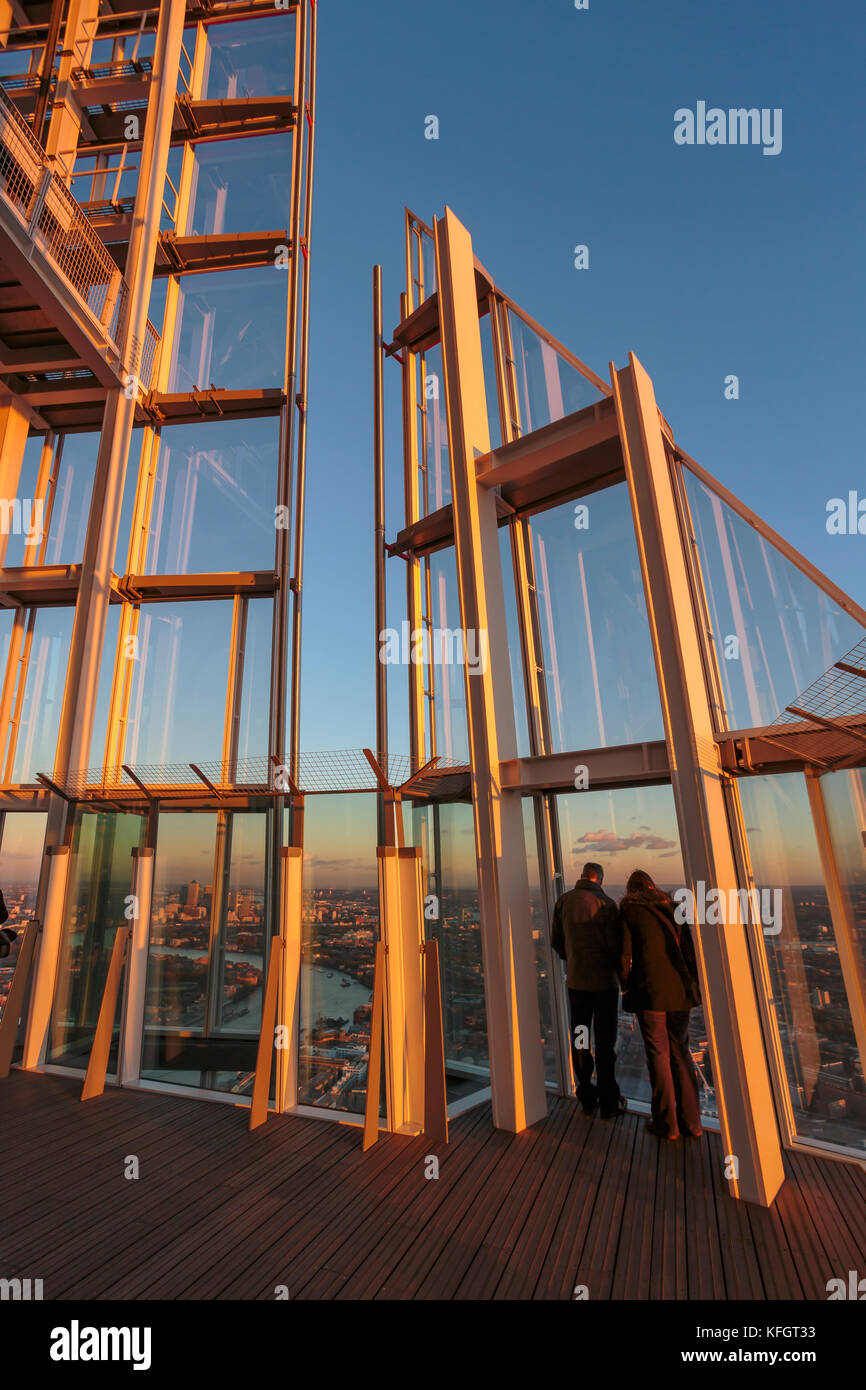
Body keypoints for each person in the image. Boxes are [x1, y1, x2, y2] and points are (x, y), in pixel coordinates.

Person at [620, 869, 702, 1141]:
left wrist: (626, 984)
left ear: (632, 891)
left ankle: (667, 1124)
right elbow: (689, 951)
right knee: (681, 1053)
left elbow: (624, 955)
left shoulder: (630, 911)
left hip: (650, 993)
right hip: (680, 993)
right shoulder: (674, 908)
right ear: (653, 886)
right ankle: (693, 1122)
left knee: (659, 1057)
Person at [551, 862, 627, 1120]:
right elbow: (617, 947)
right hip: (605, 986)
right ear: (600, 880)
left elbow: (556, 941)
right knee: (605, 1043)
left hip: (577, 985)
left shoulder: (564, 902)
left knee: (581, 1039)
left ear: (582, 876)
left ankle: (586, 1096)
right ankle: (609, 1102)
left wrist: (572, 960)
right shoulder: (607, 905)